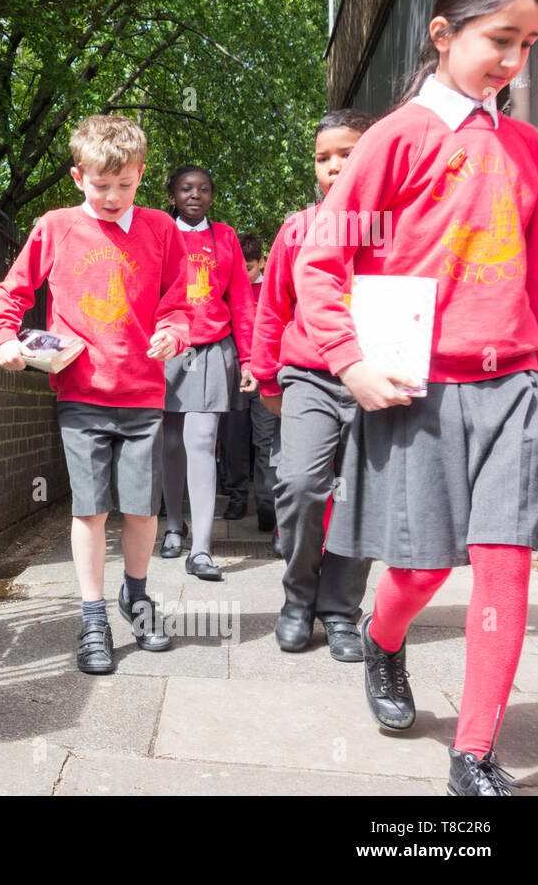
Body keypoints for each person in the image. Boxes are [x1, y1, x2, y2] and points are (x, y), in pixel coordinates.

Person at [295, 0, 538, 795]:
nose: (514, 62)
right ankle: (384, 637)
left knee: (505, 560)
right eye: (499, 40)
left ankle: (474, 752)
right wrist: (352, 361)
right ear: (442, 35)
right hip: (418, 389)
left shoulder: (528, 148)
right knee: (425, 569)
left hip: (515, 385)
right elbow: (323, 264)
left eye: (530, 44)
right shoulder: (396, 139)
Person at [0, 114, 191, 674]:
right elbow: (13, 291)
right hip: (81, 393)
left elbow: (179, 301)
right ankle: (94, 616)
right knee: (91, 509)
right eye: (101, 185)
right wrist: (6, 336)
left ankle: (136, 593)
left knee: (141, 510)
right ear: (79, 176)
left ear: (141, 174)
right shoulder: (54, 227)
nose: (112, 196)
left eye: (124, 185)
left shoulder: (160, 229)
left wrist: (174, 331)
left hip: (144, 395)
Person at [252, 109, 377, 661]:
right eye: (324, 158)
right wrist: (265, 377)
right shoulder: (298, 229)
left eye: (347, 154)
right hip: (308, 375)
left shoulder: (392, 227)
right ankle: (298, 599)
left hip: (376, 382)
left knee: (359, 497)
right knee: (302, 484)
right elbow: (271, 308)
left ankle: (341, 611)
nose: (334, 166)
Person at [157, 166, 257, 580]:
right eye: (186, 188)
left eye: (203, 189)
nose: (194, 195)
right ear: (173, 195)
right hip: (167, 349)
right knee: (171, 443)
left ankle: (201, 548)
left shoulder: (226, 237)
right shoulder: (160, 232)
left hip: (214, 348)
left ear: (212, 196)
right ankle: (174, 527)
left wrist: (250, 359)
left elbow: (241, 299)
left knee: (201, 441)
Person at [218, 234, 276, 527]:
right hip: (234, 375)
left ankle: (267, 503)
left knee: (265, 441)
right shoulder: (228, 290)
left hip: (265, 376)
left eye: (249, 268)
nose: (244, 274)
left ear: (261, 262)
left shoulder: (272, 289)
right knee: (234, 440)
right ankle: (238, 498)